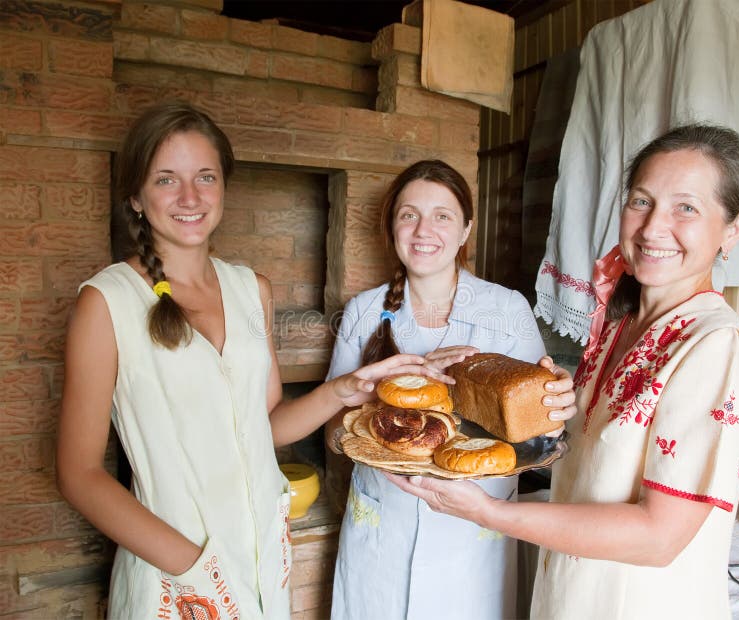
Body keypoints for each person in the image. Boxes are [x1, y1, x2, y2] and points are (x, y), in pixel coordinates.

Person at [54, 102, 449, 619]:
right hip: (175, 580)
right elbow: (78, 474)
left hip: (264, 564)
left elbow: (267, 426)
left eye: (206, 177)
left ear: (223, 187)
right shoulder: (106, 303)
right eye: (166, 179)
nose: (190, 197)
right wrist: (193, 564)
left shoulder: (250, 289)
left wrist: (346, 389)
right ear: (135, 195)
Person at [389, 125, 739, 619]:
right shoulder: (615, 329)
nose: (653, 228)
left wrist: (490, 512)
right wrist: (547, 414)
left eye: (686, 208)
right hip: (570, 597)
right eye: (641, 201)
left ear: (734, 229)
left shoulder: (718, 345)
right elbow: (594, 462)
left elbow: (659, 537)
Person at [324, 159, 576, 620]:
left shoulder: (506, 308)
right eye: (409, 214)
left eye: (442, 216)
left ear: (465, 230)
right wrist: (405, 379)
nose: (424, 230)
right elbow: (334, 437)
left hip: (473, 534)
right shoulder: (363, 311)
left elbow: (541, 427)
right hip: (383, 533)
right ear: (391, 227)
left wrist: (556, 399)